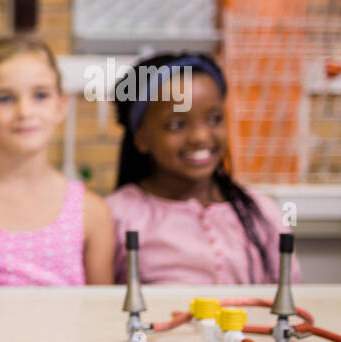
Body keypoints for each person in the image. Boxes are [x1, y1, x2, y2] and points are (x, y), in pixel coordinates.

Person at [106, 52, 300, 284]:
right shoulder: (117, 216)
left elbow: (290, 300)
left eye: (214, 119)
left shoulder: (262, 212)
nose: (200, 137)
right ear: (141, 138)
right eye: (176, 124)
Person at [0, 35, 114, 285]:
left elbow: (103, 314)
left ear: (61, 106)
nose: (25, 112)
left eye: (40, 95)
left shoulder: (92, 212)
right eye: (5, 98)